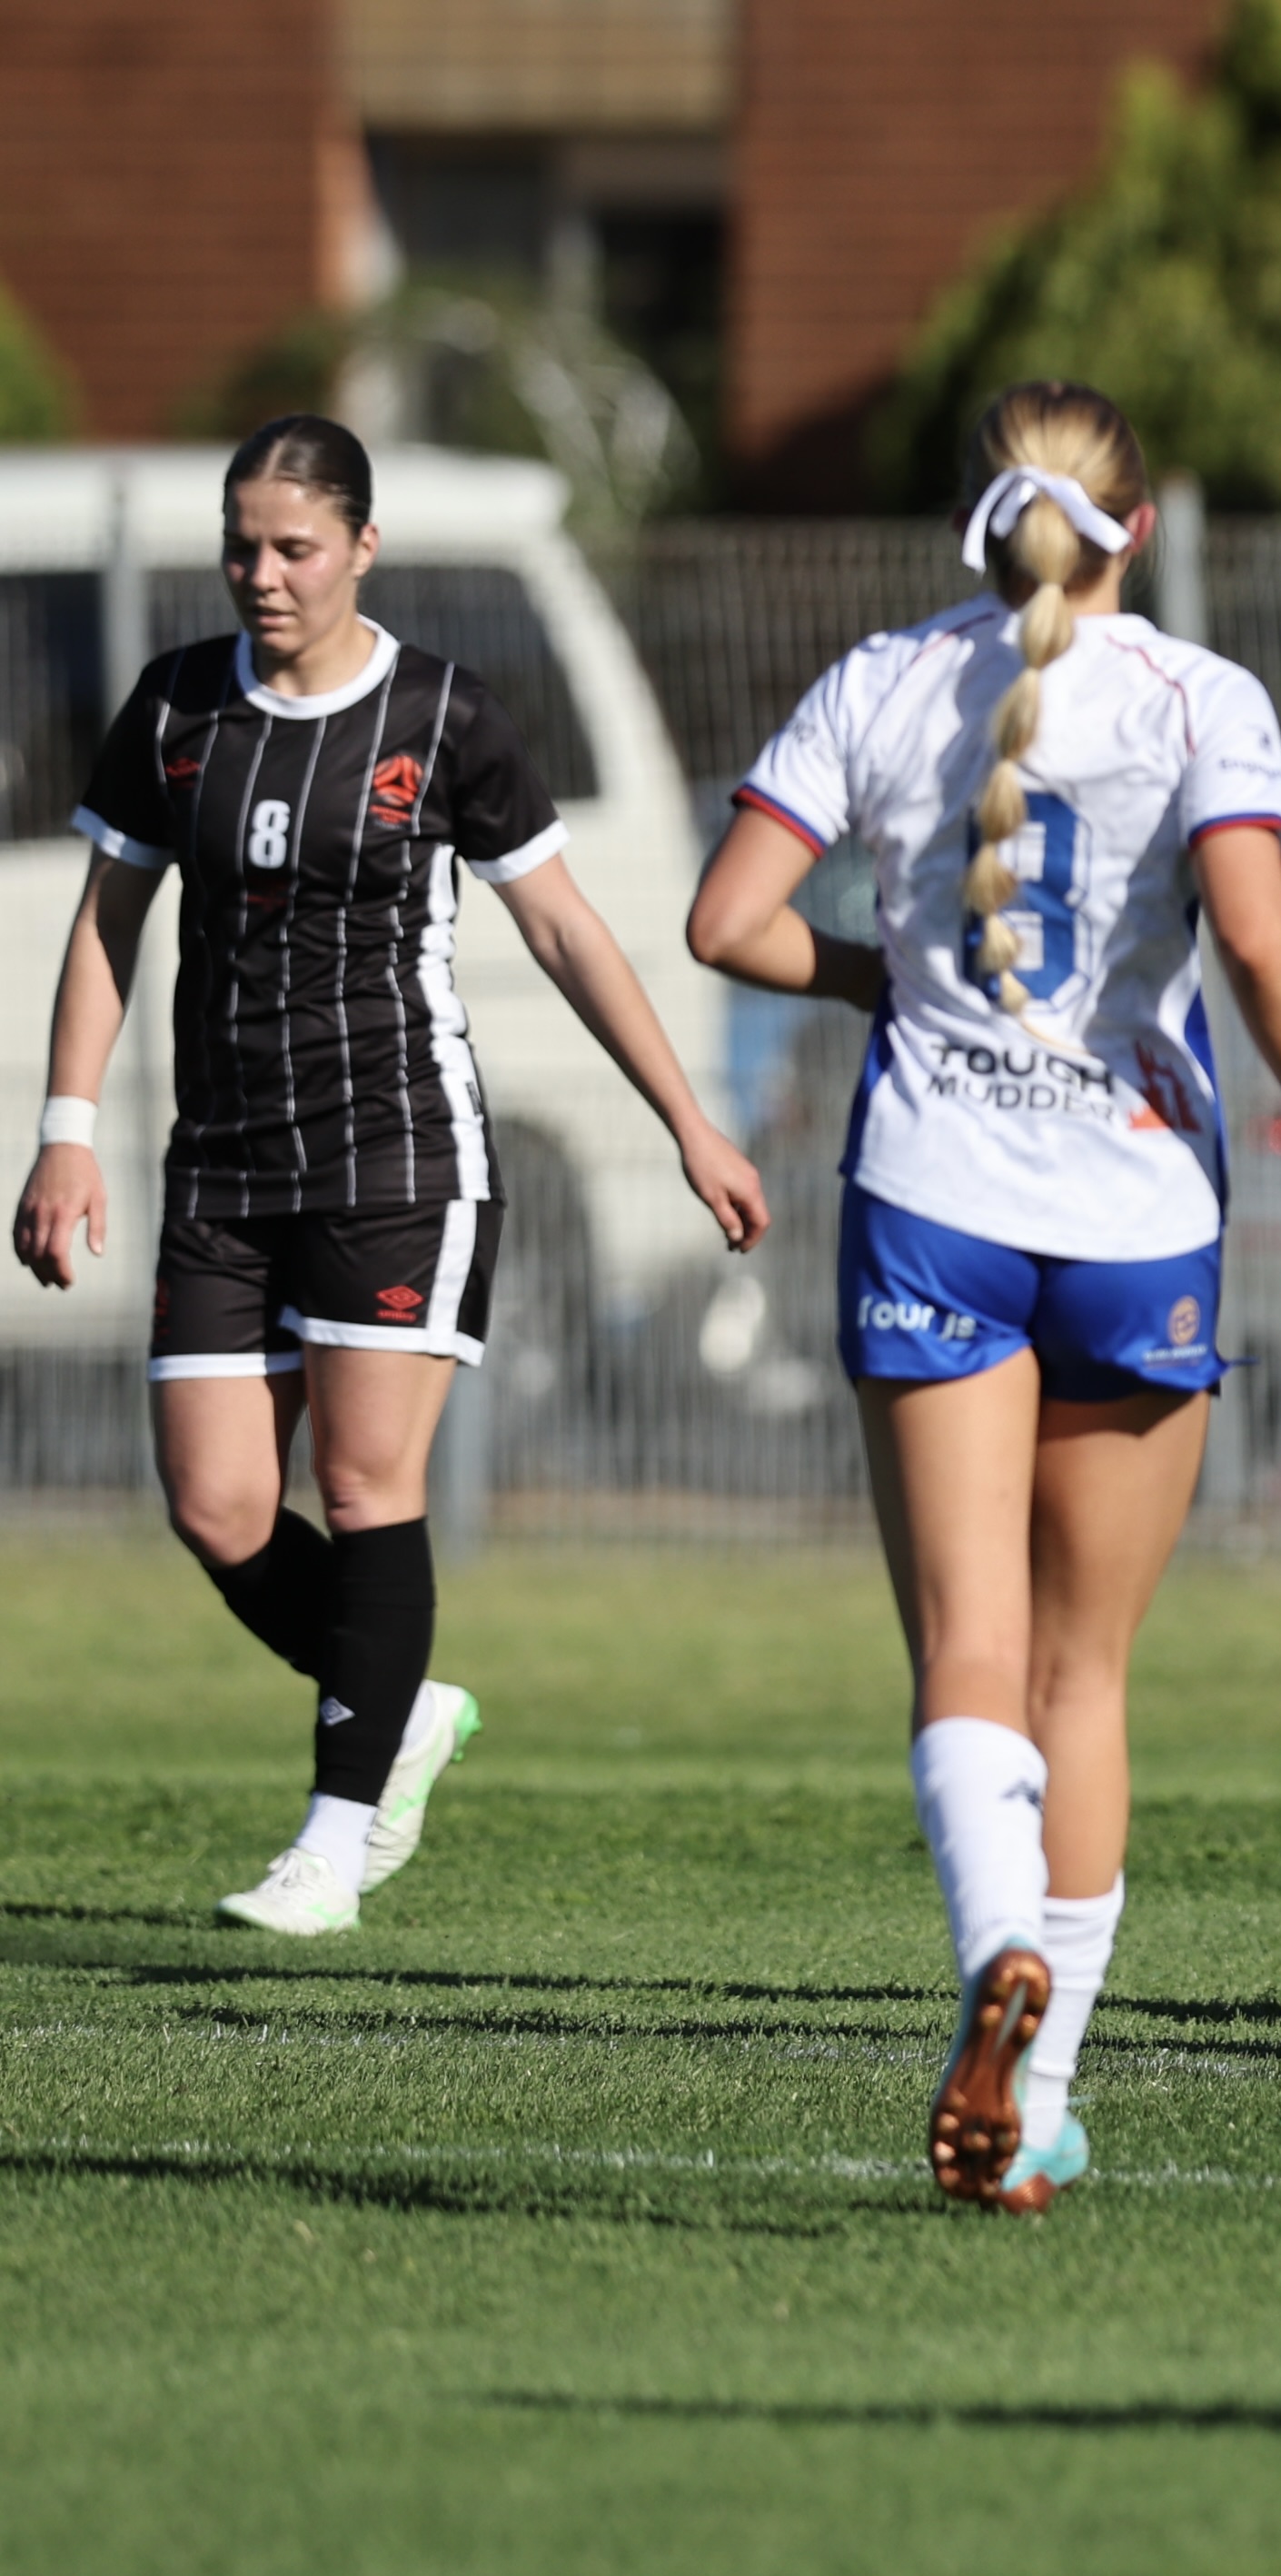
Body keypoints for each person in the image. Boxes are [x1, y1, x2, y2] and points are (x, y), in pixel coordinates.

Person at [688, 382, 1281, 2213]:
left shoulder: (885, 679)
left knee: (971, 1653)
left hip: (932, 1199)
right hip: (1140, 1216)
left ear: (981, 522)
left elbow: (725, 920)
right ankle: (1044, 2082)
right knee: (1087, 1666)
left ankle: (992, 1942)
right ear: (1133, 529)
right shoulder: (1196, 698)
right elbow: (1254, 933)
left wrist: (877, 981)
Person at [10, 414, 766, 1934]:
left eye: (295, 547)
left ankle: (332, 1843)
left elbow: (562, 930)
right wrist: (65, 1129)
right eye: (243, 547)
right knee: (218, 1504)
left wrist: (690, 1119)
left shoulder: (443, 715)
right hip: (222, 1163)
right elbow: (107, 922)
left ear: (362, 546)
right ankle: (399, 1707)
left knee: (365, 1487)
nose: (264, 575)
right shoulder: (174, 708)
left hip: (397, 1153)